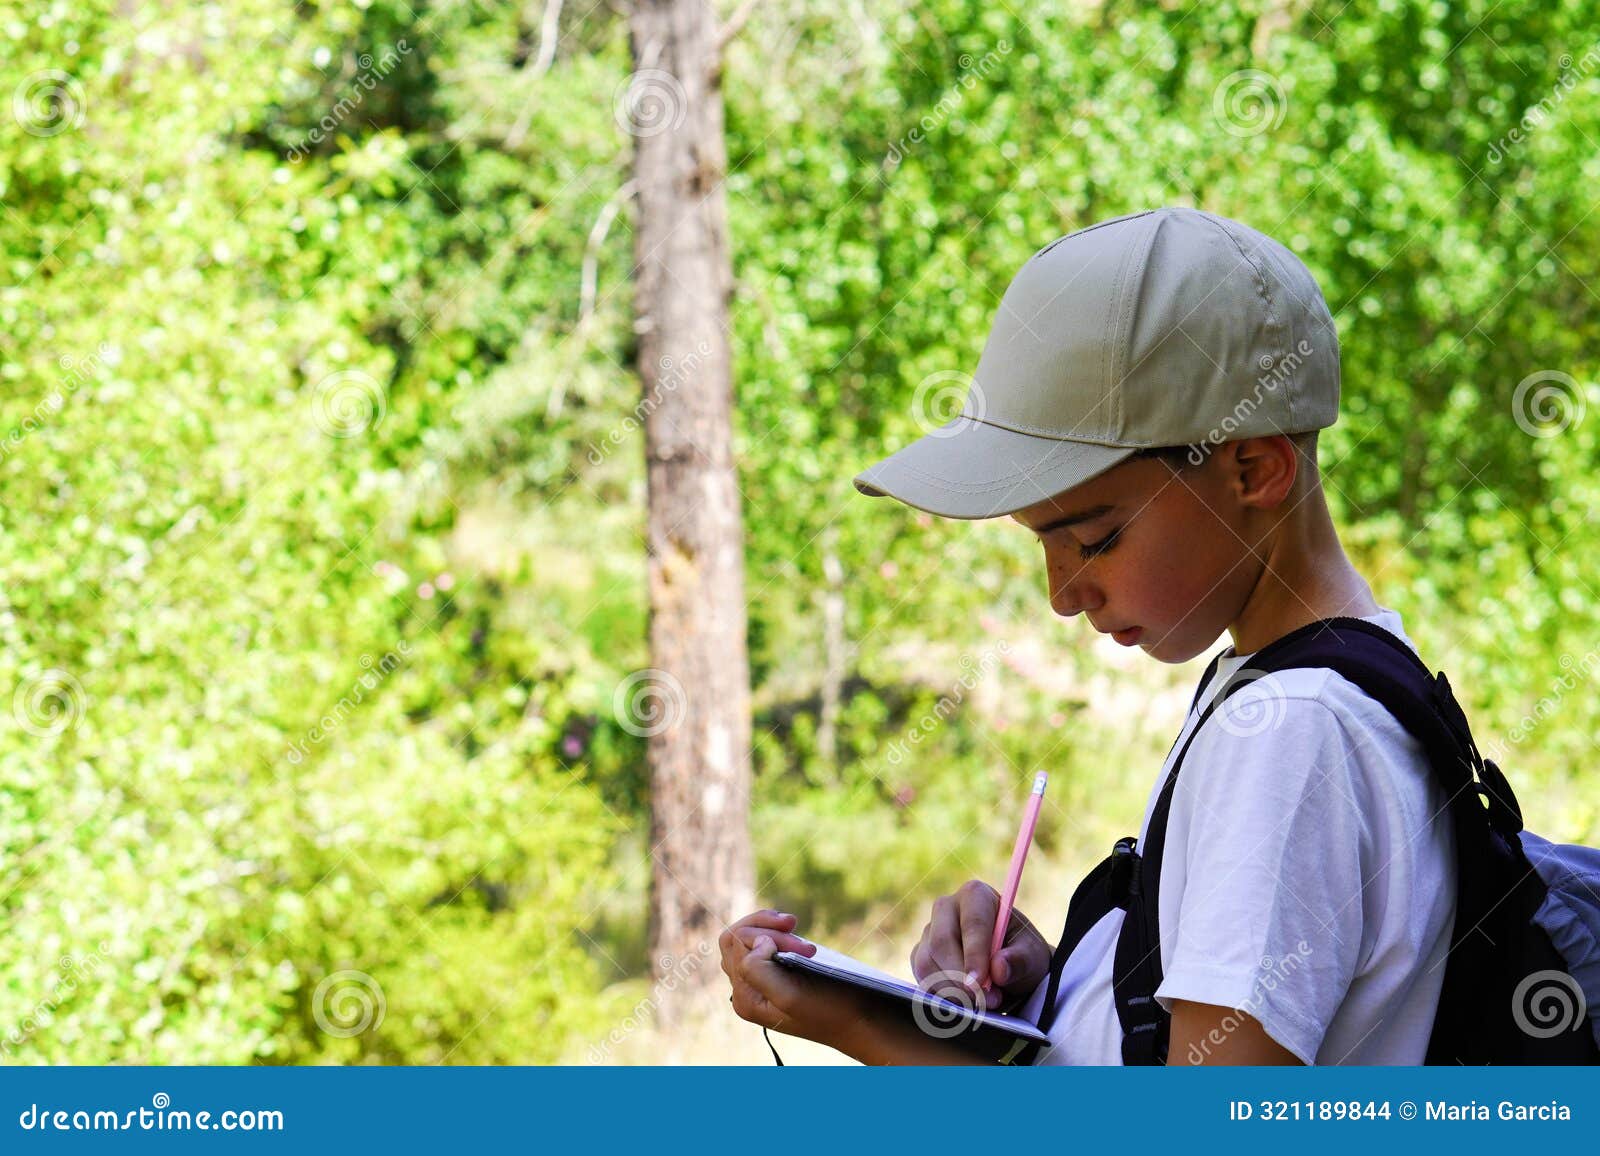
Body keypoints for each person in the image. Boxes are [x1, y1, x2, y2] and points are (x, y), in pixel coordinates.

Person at [718, 207, 1456, 1065]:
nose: (1064, 594)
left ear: (1254, 469)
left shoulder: (1293, 731)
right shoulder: (1315, 677)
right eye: (1043, 541)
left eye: (1096, 537)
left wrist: (862, 1027)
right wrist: (1071, 983)